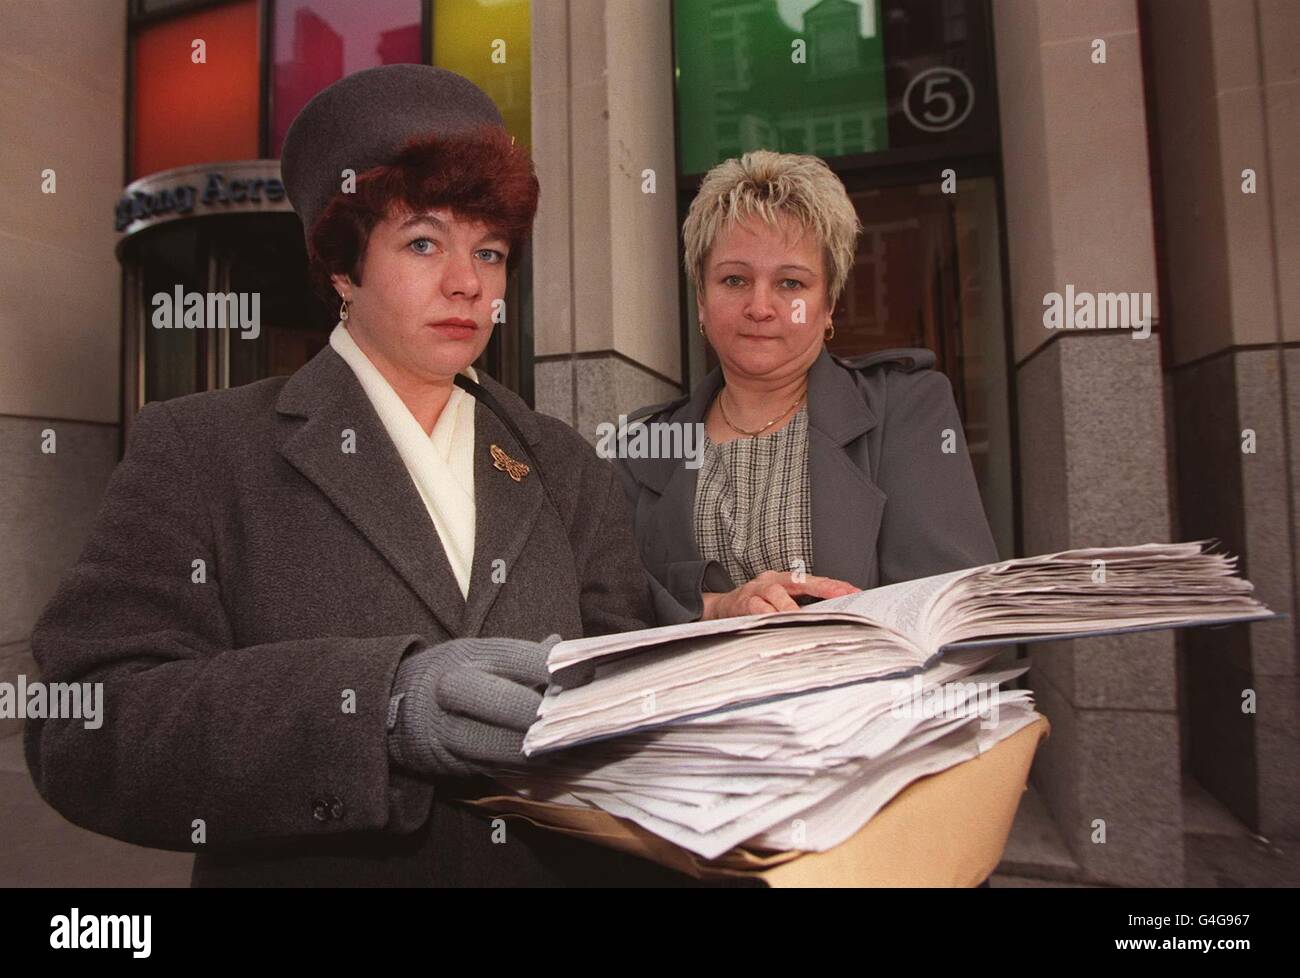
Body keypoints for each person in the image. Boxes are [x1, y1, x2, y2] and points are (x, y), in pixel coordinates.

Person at [23, 65, 713, 887]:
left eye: (488, 251)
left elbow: (618, 689)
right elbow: (84, 726)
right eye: (424, 242)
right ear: (345, 269)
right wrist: (378, 707)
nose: (468, 283)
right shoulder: (203, 448)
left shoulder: (561, 460)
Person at [615, 149, 1000, 623]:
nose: (760, 306)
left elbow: (957, 609)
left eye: (791, 284)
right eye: (734, 280)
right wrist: (712, 606)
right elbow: (605, 606)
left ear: (828, 304)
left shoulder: (906, 408)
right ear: (701, 299)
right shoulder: (642, 448)